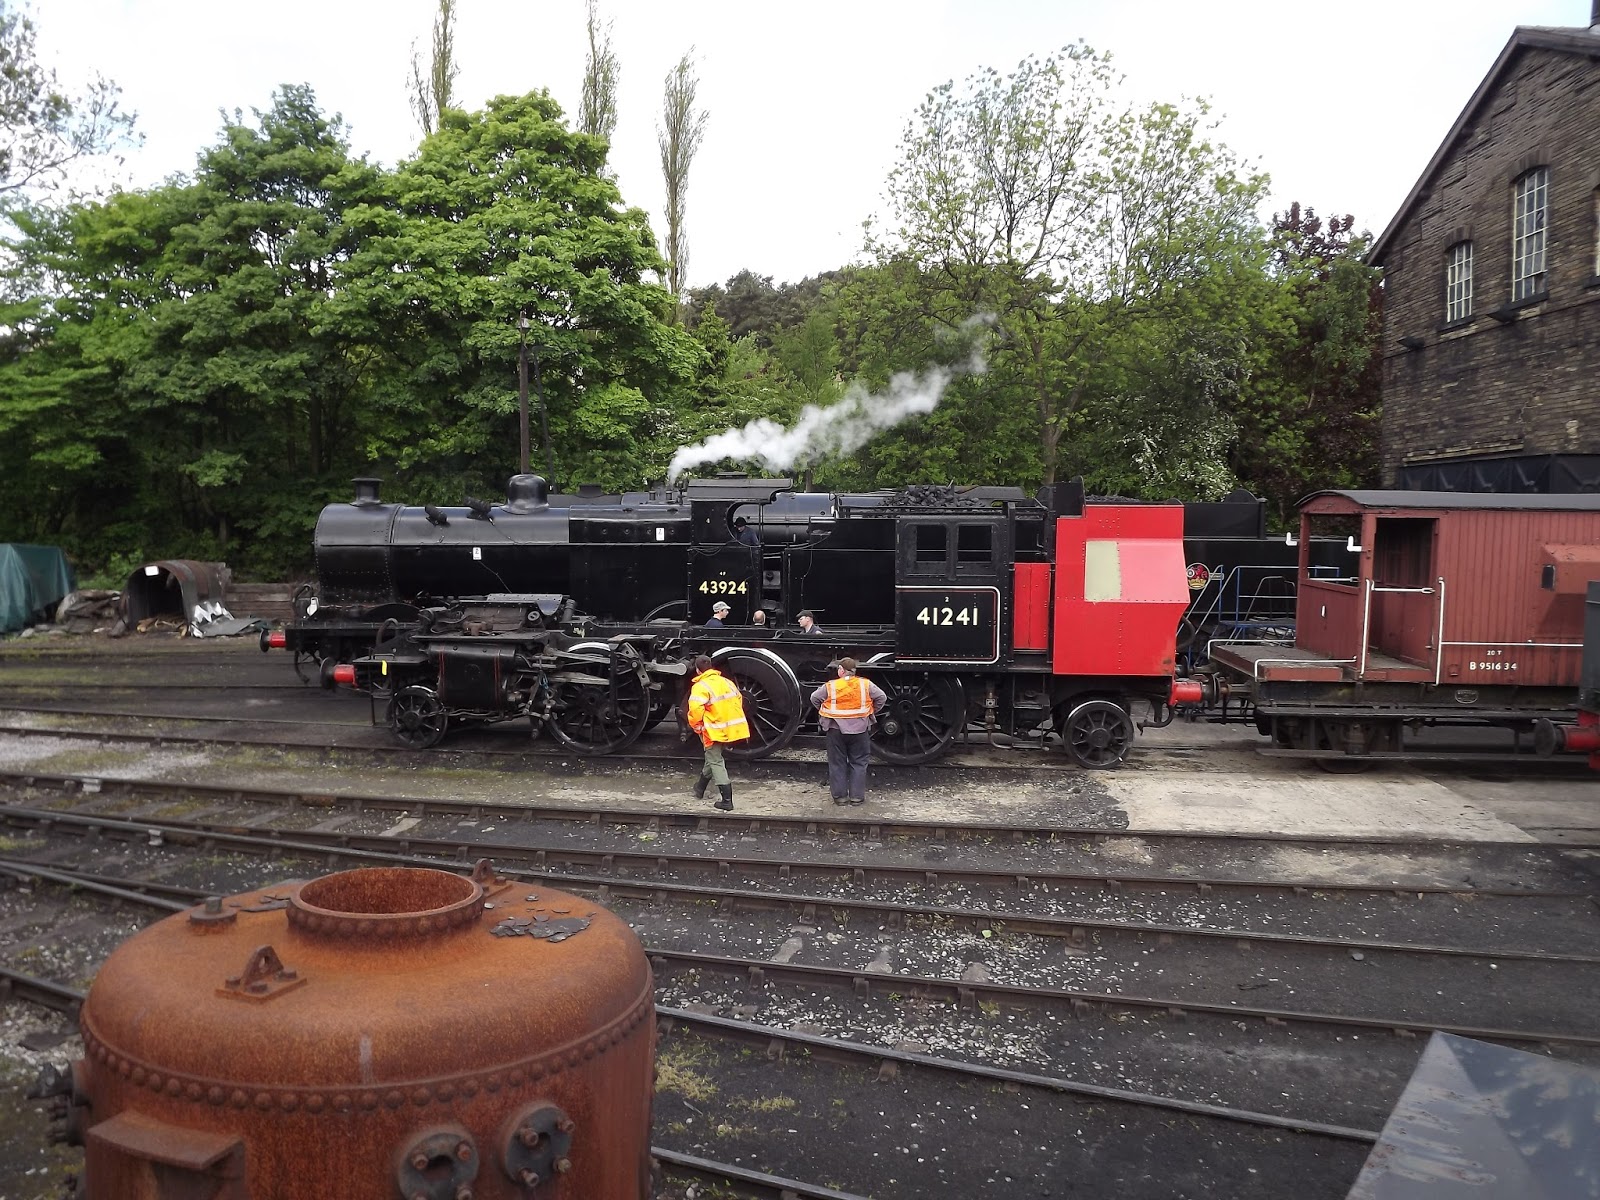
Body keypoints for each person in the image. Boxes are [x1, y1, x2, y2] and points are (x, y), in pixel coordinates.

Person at [812, 657, 887, 806]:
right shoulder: (865, 684)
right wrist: (870, 712)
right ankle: (857, 797)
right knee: (859, 762)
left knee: (837, 763)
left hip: (835, 730)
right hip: (860, 730)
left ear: (841, 670)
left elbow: (814, 698)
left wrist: (824, 712)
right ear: (854, 671)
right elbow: (881, 697)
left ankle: (840, 797)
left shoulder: (831, 686)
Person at [687, 654, 749, 811]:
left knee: (715, 761)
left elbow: (695, 711)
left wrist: (697, 727)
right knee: (712, 756)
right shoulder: (726, 682)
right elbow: (739, 700)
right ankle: (700, 788)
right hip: (730, 728)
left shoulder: (700, 686)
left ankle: (727, 800)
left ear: (698, 670)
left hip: (712, 730)